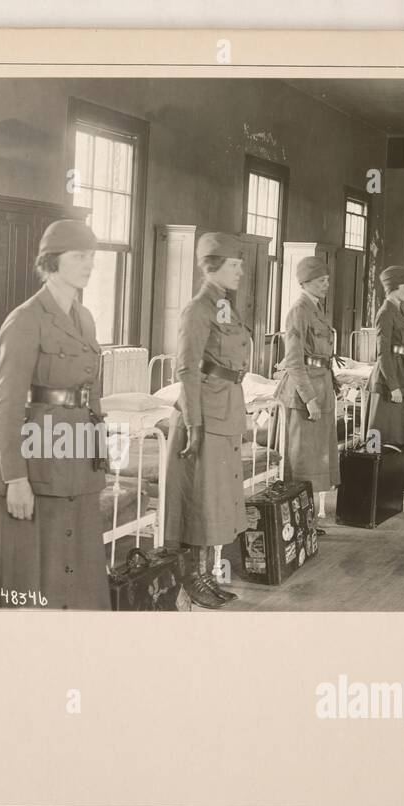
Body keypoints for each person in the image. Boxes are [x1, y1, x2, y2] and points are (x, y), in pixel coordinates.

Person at [0, 219, 109, 610]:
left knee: (78, 573)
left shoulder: (85, 318)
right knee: (32, 571)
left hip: (78, 458)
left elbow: (92, 397)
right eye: (79, 256)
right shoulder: (26, 319)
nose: (89, 264)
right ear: (51, 262)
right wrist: (15, 478)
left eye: (92, 257)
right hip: (40, 457)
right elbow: (8, 404)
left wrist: (99, 460)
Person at [165, 232, 252, 610]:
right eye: (234, 265)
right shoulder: (199, 308)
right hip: (205, 415)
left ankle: (207, 574)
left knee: (216, 499)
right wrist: (194, 424)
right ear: (213, 267)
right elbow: (185, 368)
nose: (241, 271)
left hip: (226, 408)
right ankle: (191, 577)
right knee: (201, 499)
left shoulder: (224, 306)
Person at [274, 255, 340, 525]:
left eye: (327, 280)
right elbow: (293, 361)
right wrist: (310, 399)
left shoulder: (315, 309)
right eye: (322, 281)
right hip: (305, 394)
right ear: (307, 282)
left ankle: (306, 521)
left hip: (320, 385)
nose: (326, 285)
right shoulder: (299, 311)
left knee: (314, 458)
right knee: (301, 461)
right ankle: (297, 523)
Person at [365, 265, 404, 449]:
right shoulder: (386, 312)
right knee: (381, 433)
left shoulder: (397, 310)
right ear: (394, 288)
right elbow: (383, 353)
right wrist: (393, 386)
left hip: (399, 372)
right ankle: (376, 473)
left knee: (396, 431)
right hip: (388, 379)